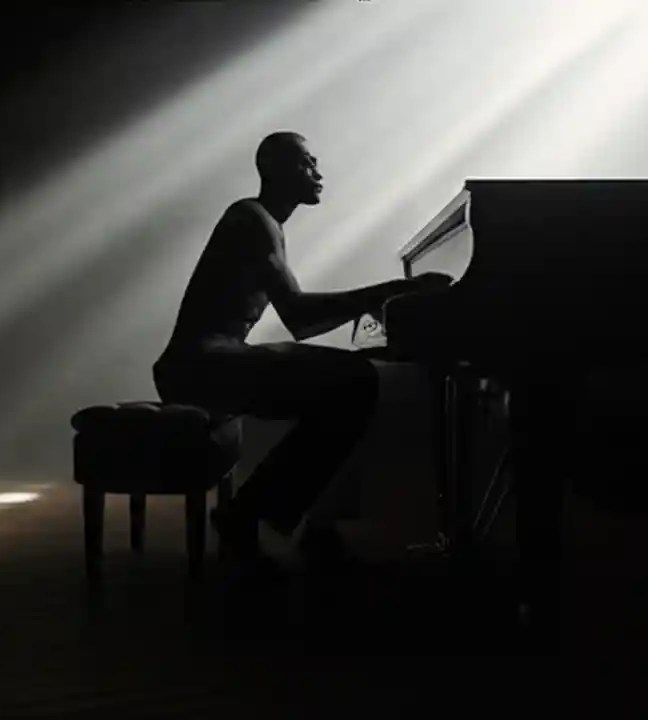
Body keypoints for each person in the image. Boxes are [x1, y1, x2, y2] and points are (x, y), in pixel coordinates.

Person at [152, 131, 450, 573]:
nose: (318, 173)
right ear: (274, 169)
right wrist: (389, 293)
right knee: (355, 381)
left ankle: (300, 522)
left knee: (349, 384)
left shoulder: (263, 221)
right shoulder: (251, 218)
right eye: (308, 163)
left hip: (207, 361)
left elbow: (301, 319)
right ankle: (265, 520)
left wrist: (377, 302)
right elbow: (299, 316)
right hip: (199, 366)